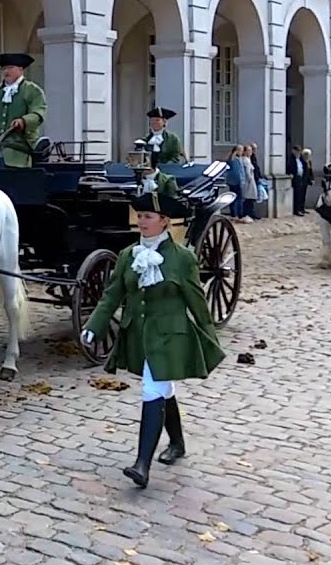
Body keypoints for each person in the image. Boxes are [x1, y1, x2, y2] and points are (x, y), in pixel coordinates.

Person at [80, 191, 225, 489]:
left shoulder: (182, 258)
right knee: (163, 389)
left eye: (148, 217)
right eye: (139, 216)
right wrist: (94, 326)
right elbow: (112, 295)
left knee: (151, 389)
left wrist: (210, 339)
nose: (141, 222)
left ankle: (142, 465)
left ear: (164, 221)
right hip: (139, 335)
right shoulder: (127, 256)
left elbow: (196, 300)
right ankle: (178, 443)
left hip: (170, 336)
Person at [287, 145, 312, 216]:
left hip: (301, 178)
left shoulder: (301, 158)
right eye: (297, 151)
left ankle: (301, 208)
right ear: (293, 151)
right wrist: (290, 173)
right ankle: (296, 210)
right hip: (295, 177)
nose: (298, 152)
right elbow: (288, 167)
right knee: (297, 195)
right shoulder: (290, 158)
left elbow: (306, 168)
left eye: (299, 151)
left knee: (301, 195)